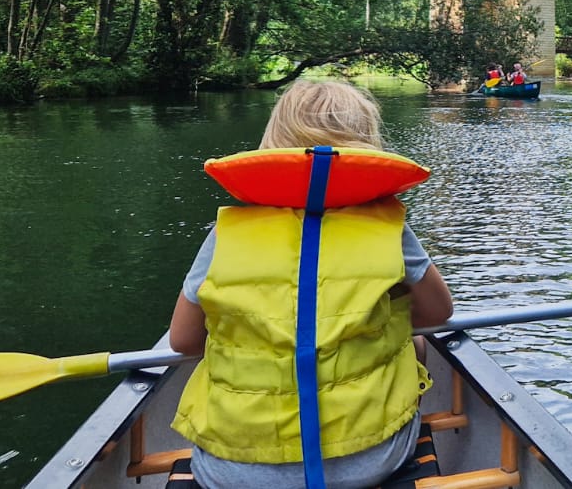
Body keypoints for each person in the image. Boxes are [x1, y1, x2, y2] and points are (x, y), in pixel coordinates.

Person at [168, 80, 454, 489]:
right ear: (366, 145)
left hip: (234, 473)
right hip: (368, 464)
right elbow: (438, 313)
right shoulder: (387, 228)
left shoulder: (225, 234)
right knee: (417, 340)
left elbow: (183, 341)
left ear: (275, 144)